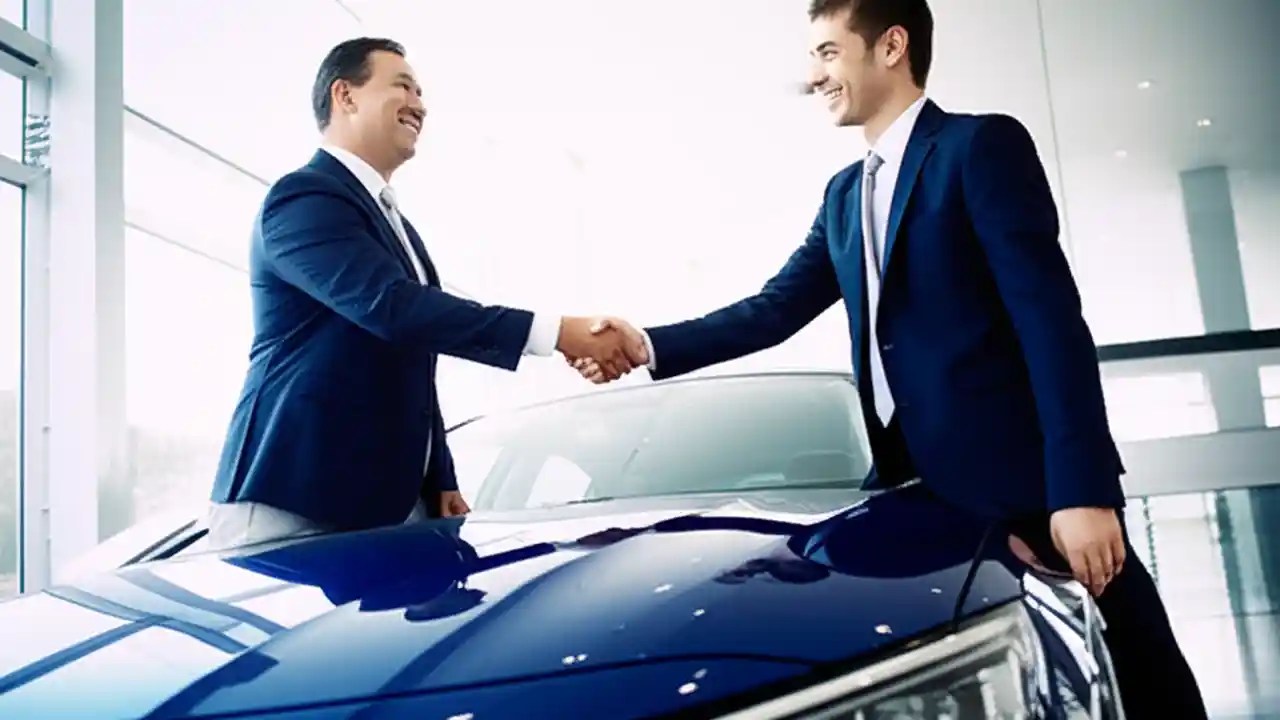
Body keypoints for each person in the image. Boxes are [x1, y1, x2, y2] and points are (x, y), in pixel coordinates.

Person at [568, 1, 1207, 715]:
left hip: (1026, 492)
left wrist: (1081, 489)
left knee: (1145, 679)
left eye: (827, 53)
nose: (814, 76)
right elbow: (774, 309)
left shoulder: (977, 149)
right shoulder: (844, 195)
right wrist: (646, 344)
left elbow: (1050, 321)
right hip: (915, 501)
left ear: (891, 46)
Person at [207, 37, 634, 550]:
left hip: (379, 500)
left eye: (422, 92)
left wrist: (439, 476)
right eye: (403, 86)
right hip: (295, 494)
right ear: (345, 96)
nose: (420, 104)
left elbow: (412, 352)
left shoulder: (397, 225)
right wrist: (557, 333)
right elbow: (391, 309)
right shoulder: (303, 197)